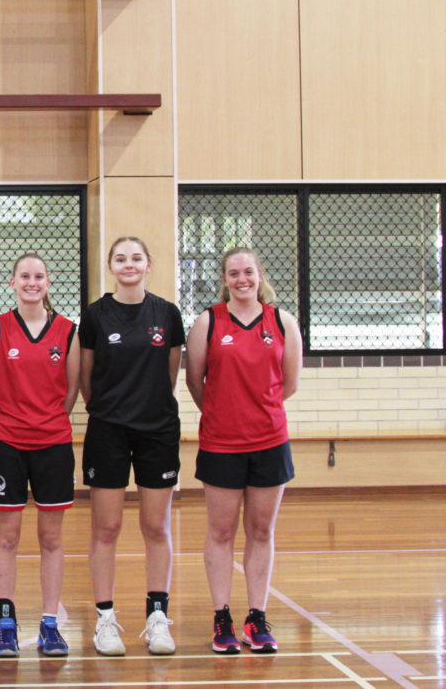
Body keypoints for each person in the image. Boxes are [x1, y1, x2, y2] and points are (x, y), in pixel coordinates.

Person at [185, 247, 301, 655]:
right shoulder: (208, 321)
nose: (242, 279)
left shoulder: (282, 321)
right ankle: (222, 618)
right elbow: (196, 381)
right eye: (234, 273)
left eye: (248, 271)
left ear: (259, 274)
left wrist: (258, 411)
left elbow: (288, 385)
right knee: (221, 532)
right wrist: (223, 414)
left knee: (261, 530)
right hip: (221, 443)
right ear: (225, 279)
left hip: (269, 442)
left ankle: (257, 617)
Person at [78, 236, 184, 656]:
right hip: (108, 430)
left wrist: (148, 406)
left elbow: (171, 373)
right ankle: (106, 620)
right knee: (107, 528)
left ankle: (157, 617)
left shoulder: (167, 314)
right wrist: (110, 410)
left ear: (148, 264)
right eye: (120, 258)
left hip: (157, 431)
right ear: (110, 266)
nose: (128, 264)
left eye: (136, 257)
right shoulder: (96, 316)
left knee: (156, 527)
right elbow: (86, 377)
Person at [0, 253, 80, 658]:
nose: (32, 282)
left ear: (48, 282)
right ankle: (6, 624)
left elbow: (72, 390)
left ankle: (50, 624)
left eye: (39, 276)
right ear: (13, 282)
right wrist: (13, 417)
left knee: (51, 538)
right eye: (25, 276)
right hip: (8, 442)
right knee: (7, 538)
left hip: (53, 444)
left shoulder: (68, 330)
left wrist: (46, 420)